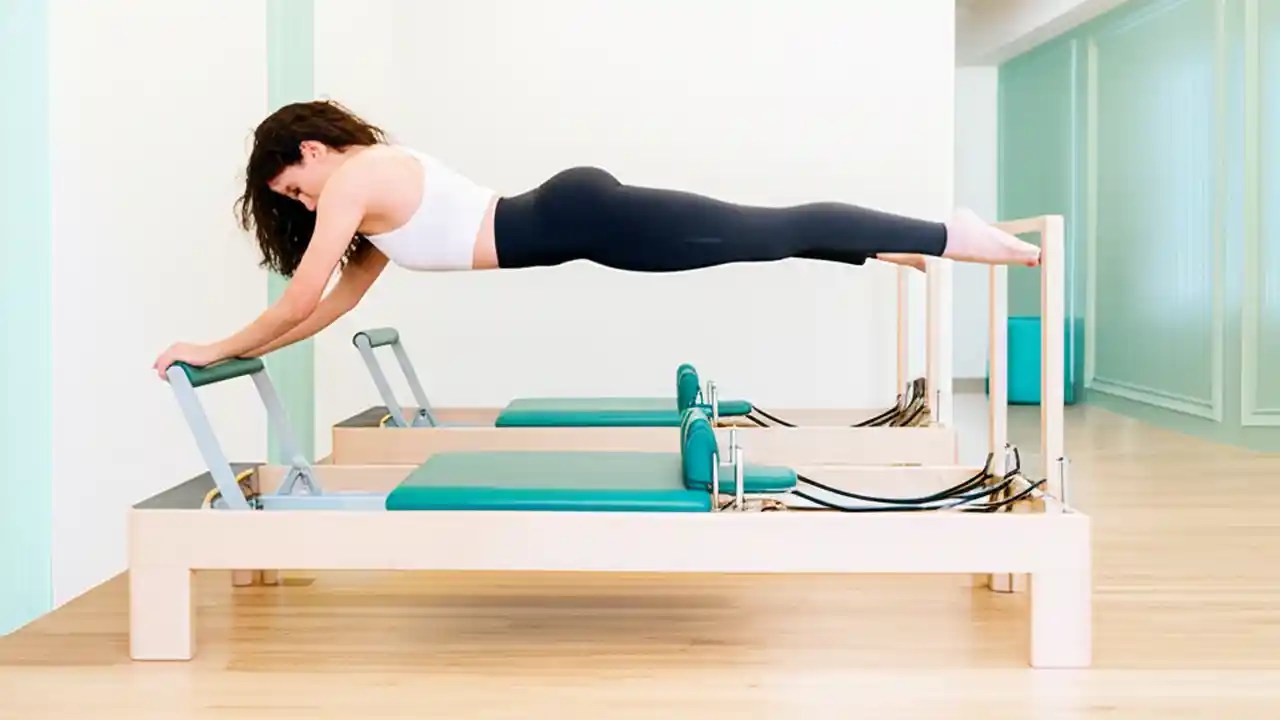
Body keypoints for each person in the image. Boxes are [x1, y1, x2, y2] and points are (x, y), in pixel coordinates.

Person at [152, 100, 1039, 378]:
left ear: (310, 152)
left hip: (582, 218)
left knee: (766, 227)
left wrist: (214, 347)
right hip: (576, 218)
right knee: (755, 235)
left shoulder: (353, 180)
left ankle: (946, 231)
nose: (304, 204)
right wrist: (246, 349)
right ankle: (881, 245)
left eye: (293, 188)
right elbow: (329, 309)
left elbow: (300, 297)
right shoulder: (377, 203)